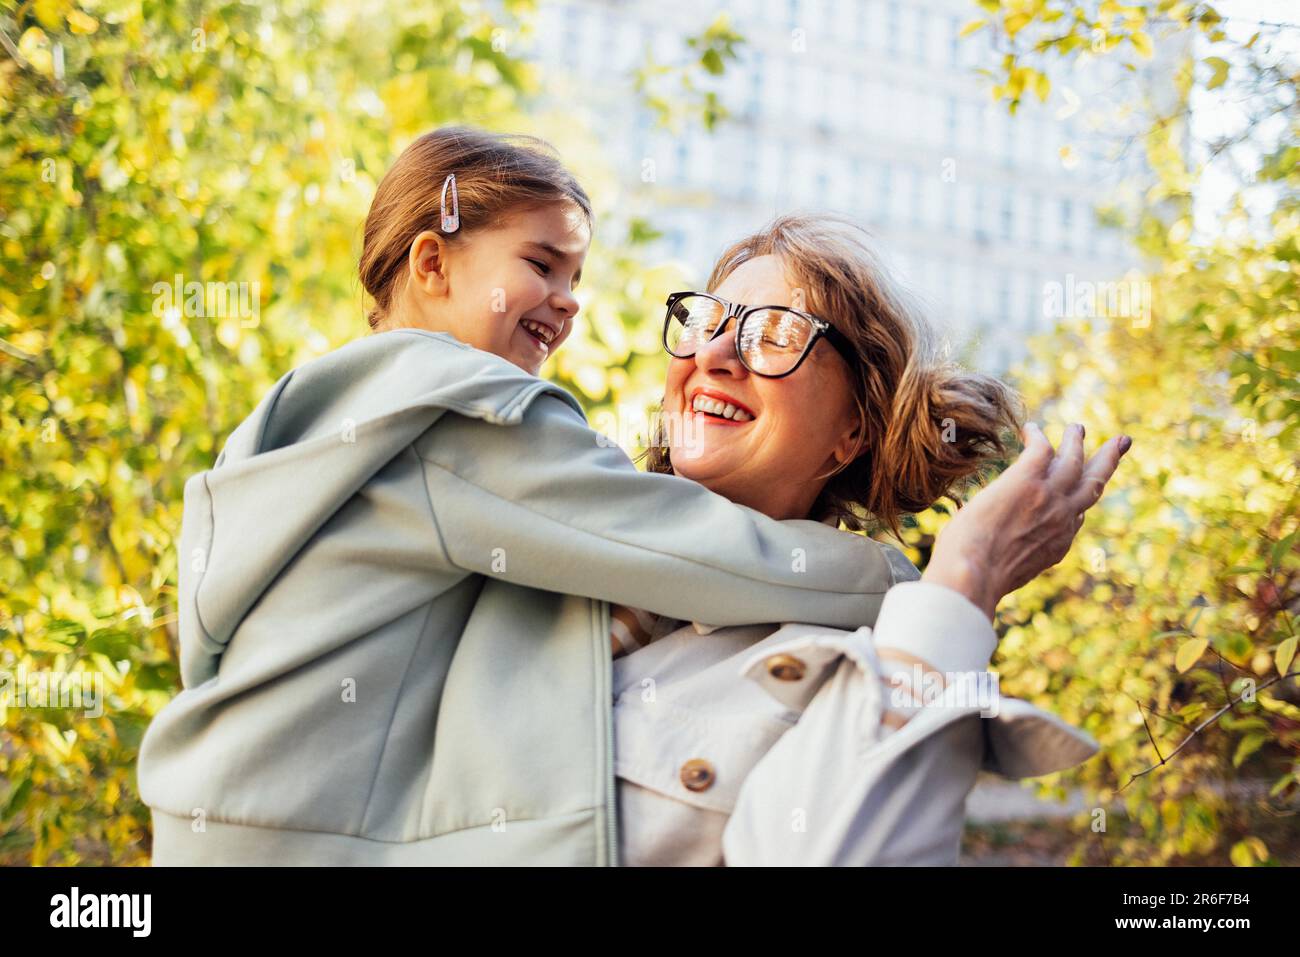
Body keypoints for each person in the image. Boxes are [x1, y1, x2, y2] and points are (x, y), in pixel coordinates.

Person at [135, 129, 911, 865]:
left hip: (213, 812)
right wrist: (912, 586)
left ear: (853, 431)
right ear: (432, 264)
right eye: (542, 265)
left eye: (575, 278)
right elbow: (680, 545)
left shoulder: (305, 416)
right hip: (308, 833)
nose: (569, 300)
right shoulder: (461, 412)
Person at [606, 214, 1131, 865]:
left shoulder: (847, 668)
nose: (713, 353)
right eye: (705, 323)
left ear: (850, 432)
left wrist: (969, 574)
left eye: (773, 334)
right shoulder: (549, 544)